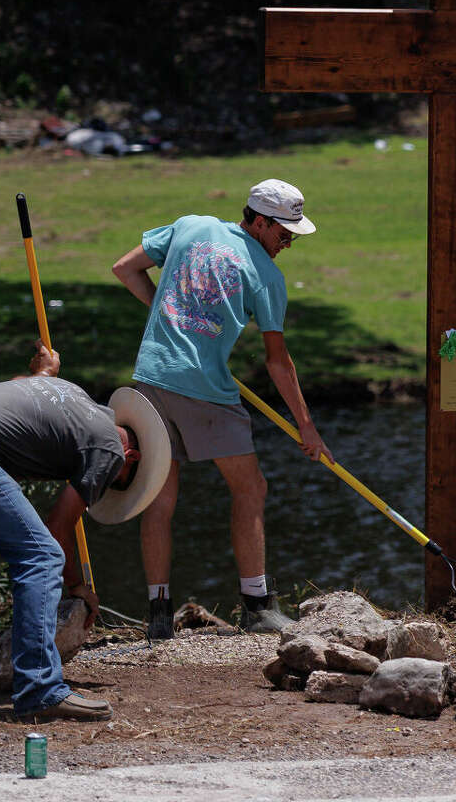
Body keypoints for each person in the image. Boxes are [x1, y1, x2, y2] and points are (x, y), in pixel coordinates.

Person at [0, 345, 170, 722]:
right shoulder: (111, 450)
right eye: (116, 482)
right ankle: (39, 689)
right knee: (41, 555)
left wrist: (46, 369)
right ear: (131, 458)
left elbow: (25, 385)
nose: (106, 484)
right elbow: (57, 530)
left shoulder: (72, 393)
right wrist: (78, 588)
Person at [112, 178, 331, 639]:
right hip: (204, 390)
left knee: (158, 496)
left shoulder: (190, 226)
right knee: (250, 488)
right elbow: (277, 361)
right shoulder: (267, 277)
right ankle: (256, 606)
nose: (287, 243)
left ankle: (158, 617)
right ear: (258, 219)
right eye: (283, 233)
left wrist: (164, 315)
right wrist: (306, 426)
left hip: (150, 377)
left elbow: (125, 269)